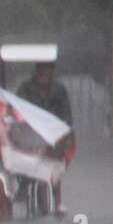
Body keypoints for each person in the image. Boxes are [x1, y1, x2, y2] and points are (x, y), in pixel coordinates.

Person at [14, 61, 72, 214]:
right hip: (30, 133)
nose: (44, 75)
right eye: (42, 71)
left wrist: (64, 132)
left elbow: (66, 113)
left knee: (55, 163)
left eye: (48, 71)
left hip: (53, 135)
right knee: (25, 154)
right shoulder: (25, 88)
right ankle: (24, 184)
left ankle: (58, 201)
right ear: (37, 71)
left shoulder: (59, 89)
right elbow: (17, 109)